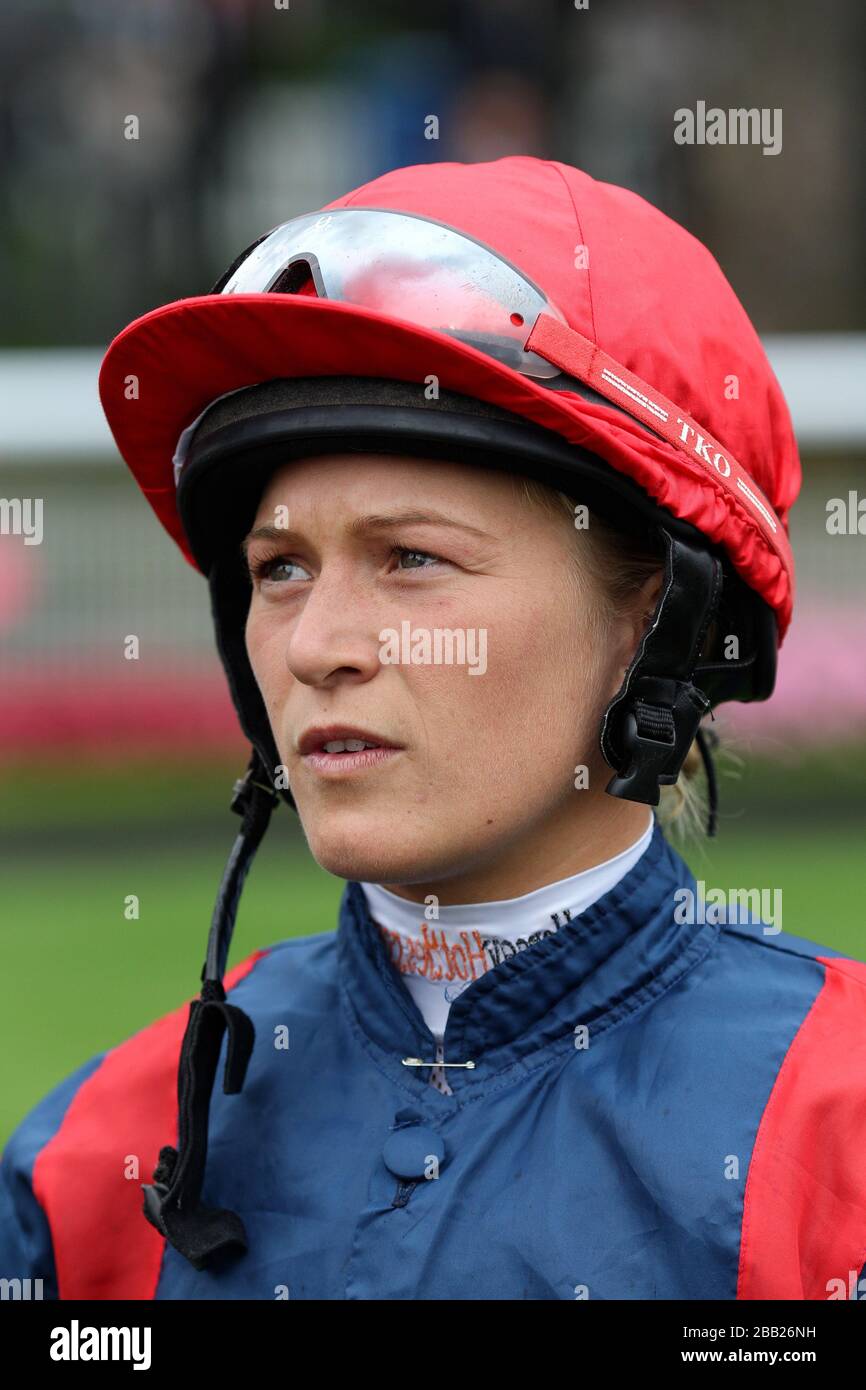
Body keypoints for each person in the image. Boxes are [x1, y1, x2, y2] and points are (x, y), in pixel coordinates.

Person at [2, 156, 865, 1302]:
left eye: (412, 559)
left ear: (657, 622)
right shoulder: (86, 1163)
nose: (316, 646)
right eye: (279, 568)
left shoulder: (840, 1138)